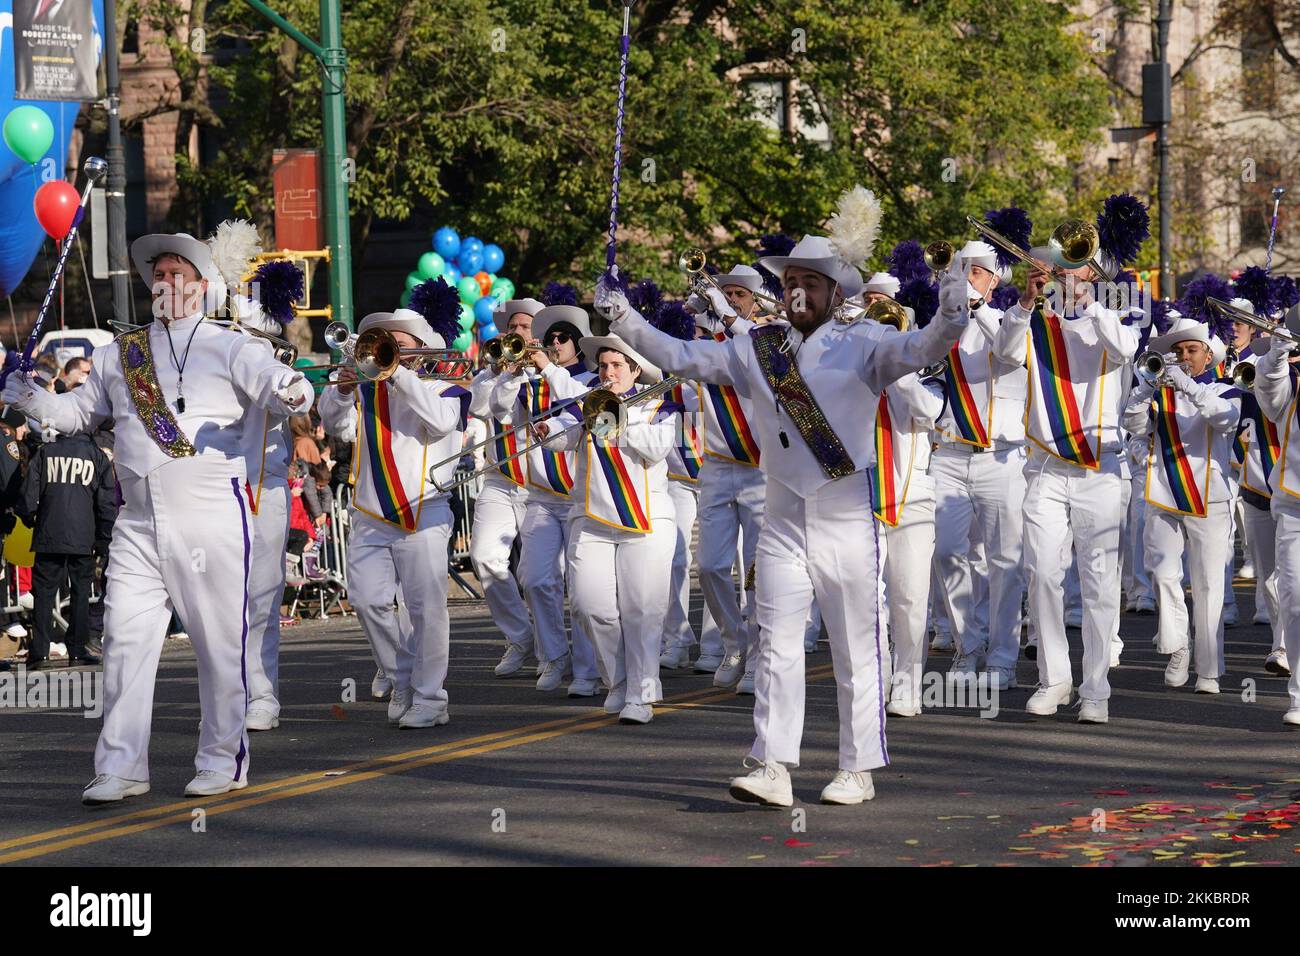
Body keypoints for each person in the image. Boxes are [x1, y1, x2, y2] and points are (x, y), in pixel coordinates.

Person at [600, 232, 970, 806]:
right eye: (791, 281)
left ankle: (857, 766)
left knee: (855, 644)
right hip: (782, 514)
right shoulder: (757, 347)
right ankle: (772, 763)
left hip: (845, 511)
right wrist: (622, 317)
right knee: (773, 641)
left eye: (810, 282)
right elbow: (680, 355)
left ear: (834, 290)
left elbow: (926, 347)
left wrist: (952, 303)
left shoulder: (867, 341)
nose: (797, 291)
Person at [1, 231, 313, 803]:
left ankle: (223, 758)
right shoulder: (122, 353)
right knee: (124, 641)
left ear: (199, 285)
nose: (166, 281)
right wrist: (29, 396)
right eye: (159, 273)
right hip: (137, 516)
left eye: (177, 272)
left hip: (210, 508)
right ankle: (121, 766)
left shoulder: (231, 346)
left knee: (219, 643)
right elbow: (76, 415)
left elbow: (282, 388)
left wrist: (294, 391)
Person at [991, 195, 1147, 724]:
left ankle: (1096, 686)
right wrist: (1025, 301)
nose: (1065, 275)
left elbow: (1125, 348)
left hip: (1100, 468)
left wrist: (1091, 295)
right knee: (1040, 572)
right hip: (1046, 469)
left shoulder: (1119, 312)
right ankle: (1055, 677)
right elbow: (1006, 355)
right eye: (1061, 268)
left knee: (1101, 580)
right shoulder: (1033, 322)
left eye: (1074, 267)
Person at [317, 307, 468, 729]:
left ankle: (431, 697)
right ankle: (401, 677)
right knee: (368, 601)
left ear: (420, 349)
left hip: (424, 510)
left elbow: (439, 425)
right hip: (370, 511)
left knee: (426, 609)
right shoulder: (366, 390)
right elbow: (335, 425)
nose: (393, 347)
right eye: (388, 341)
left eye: (402, 343)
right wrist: (343, 390)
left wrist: (398, 374)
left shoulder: (446, 389)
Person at [536, 334, 677, 723]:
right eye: (604, 366)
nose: (609, 372)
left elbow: (657, 447)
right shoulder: (588, 402)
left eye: (617, 366)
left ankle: (642, 693)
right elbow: (565, 436)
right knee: (588, 604)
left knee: (642, 610)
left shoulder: (660, 404)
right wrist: (548, 435)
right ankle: (618, 681)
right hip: (592, 518)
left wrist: (617, 415)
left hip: (645, 519)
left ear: (635, 369)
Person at [928, 235, 1028, 691]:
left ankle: (1003, 656)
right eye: (960, 269)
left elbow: (1011, 351)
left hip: (1000, 456)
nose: (966, 277)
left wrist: (977, 308)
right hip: (949, 453)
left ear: (993, 281)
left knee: (1004, 561)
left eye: (976, 271)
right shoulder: (943, 321)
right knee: (949, 553)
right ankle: (969, 645)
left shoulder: (1010, 318)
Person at [489, 299, 601, 696]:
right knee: (535, 579)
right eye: (549, 337)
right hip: (540, 496)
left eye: (563, 338)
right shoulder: (531, 380)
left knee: (583, 587)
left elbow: (578, 408)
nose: (554, 343)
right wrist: (509, 373)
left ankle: (588, 670)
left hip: (581, 499)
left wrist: (547, 368)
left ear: (578, 344)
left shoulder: (591, 380)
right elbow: (498, 409)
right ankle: (553, 656)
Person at [1123, 317, 1241, 693]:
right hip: (1165, 492)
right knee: (1161, 573)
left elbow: (1223, 421)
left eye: (1191, 350)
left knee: (1208, 585)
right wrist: (1145, 388)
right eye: (1177, 351)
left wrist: (1187, 385)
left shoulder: (1225, 389)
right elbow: (1131, 423)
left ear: (1208, 355)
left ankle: (1208, 669)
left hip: (1210, 497)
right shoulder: (1160, 392)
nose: (1183, 357)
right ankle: (1178, 646)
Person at [687, 267, 766, 691]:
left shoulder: (763, 337)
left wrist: (728, 318)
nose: (731, 299)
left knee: (756, 573)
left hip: (759, 470)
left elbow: (754, 349)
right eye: (726, 293)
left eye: (739, 294)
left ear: (753, 302)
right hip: (717, 467)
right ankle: (735, 643)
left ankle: (757, 655)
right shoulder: (706, 347)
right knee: (712, 566)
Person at [468, 298, 541, 679]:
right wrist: (499, 372)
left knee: (538, 575)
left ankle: (552, 647)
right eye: (513, 326)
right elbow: (482, 409)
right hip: (499, 477)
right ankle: (519, 635)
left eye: (526, 327)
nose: (517, 332)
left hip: (541, 484)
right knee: (484, 557)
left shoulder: (549, 374)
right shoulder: (489, 374)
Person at [18, 419, 117, 669]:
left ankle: (39, 653)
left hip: (49, 535)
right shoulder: (96, 456)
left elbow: (28, 497)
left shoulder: (45, 452)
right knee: (81, 594)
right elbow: (106, 504)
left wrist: (31, 519)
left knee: (43, 595)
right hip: (83, 537)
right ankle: (76, 650)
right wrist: (104, 539)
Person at [1252, 308, 1300, 725]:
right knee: (1296, 600)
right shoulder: (1293, 377)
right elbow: (1269, 400)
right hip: (1294, 502)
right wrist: (1277, 353)